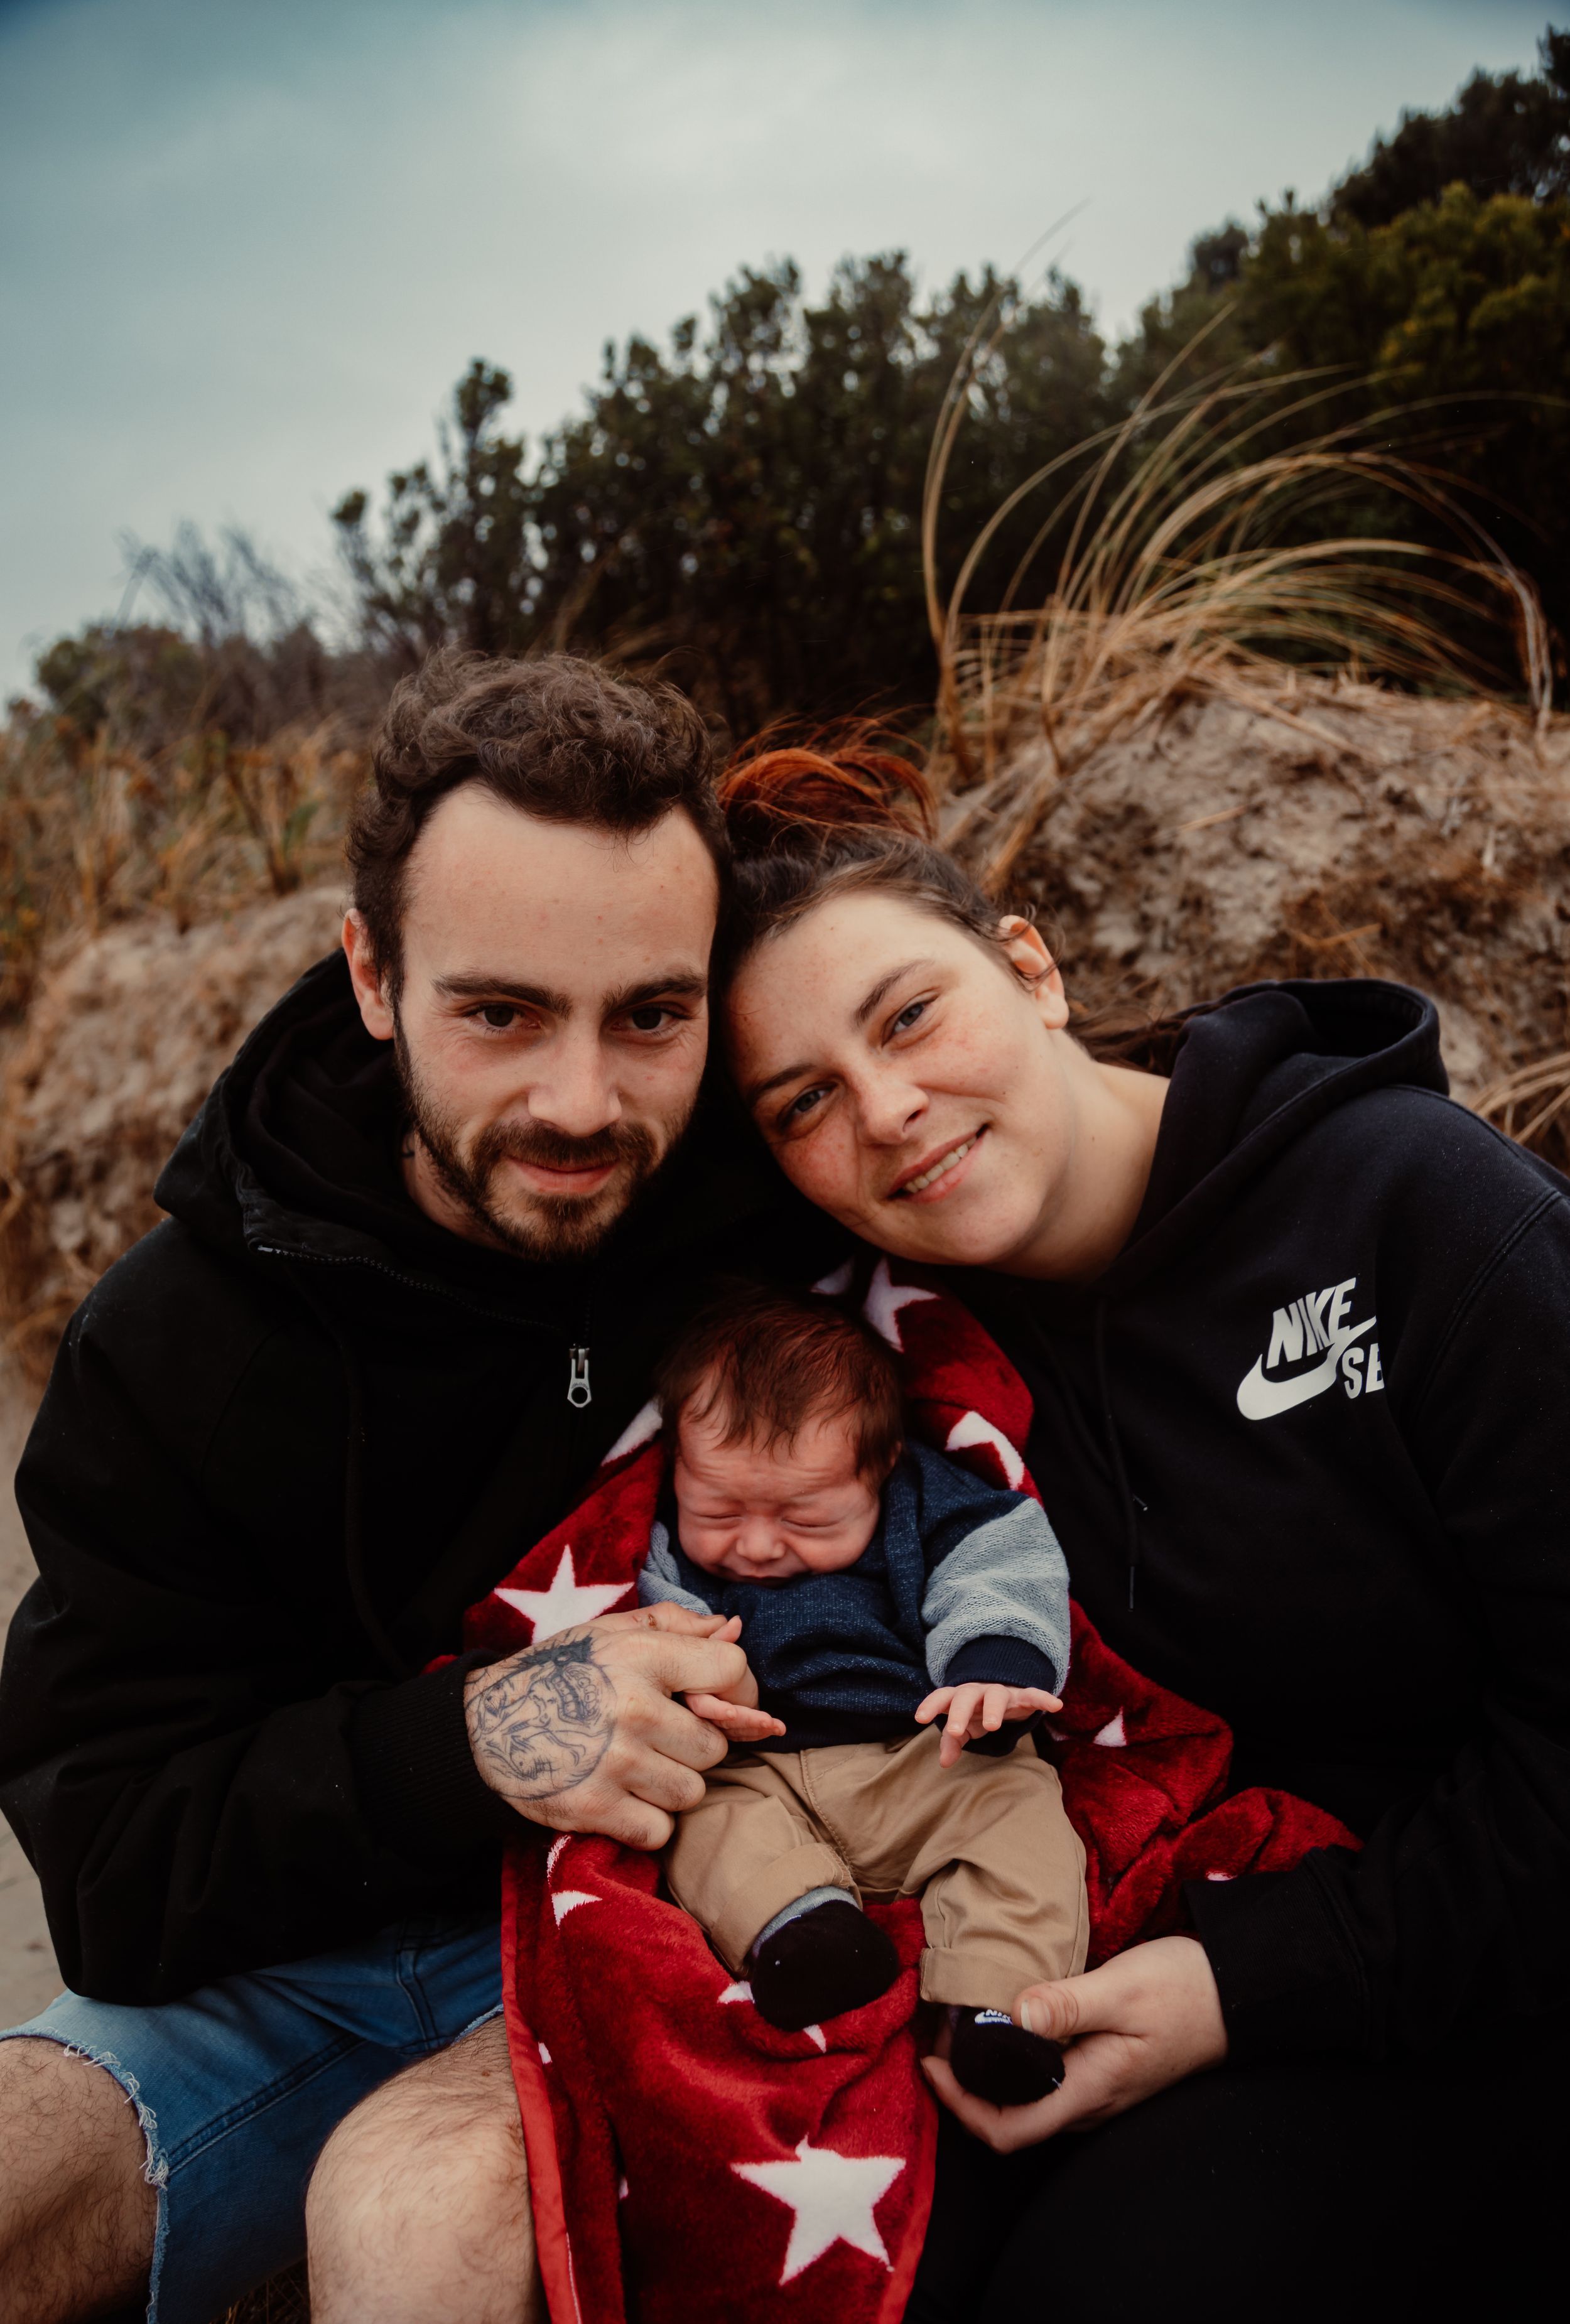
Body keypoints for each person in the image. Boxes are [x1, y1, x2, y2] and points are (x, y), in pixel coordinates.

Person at [0, 651, 839, 2324]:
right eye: (501, 1010)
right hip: (281, 1974)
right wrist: (473, 1736)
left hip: (647, 1923)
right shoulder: (177, 1340)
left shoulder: (796, 1188)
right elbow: (108, 1854)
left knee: (416, 2224)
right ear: (373, 976)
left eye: (651, 1014)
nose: (583, 1101)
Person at [708, 732, 1570, 2316]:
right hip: (1146, 1973)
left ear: (1027, 966)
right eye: (802, 1103)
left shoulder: (1415, 1208)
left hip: (1488, 1983)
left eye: (910, 1015)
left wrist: (1247, 1983)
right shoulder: (901, 1362)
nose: (888, 1111)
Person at [637, 1280, 1082, 2104]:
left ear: (882, 1464)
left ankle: (997, 2005)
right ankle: (802, 1928)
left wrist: (991, 1672)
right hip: (760, 1764)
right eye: (719, 1507)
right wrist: (699, 1688)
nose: (759, 1543)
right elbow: (664, 1630)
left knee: (1021, 1814)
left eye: (806, 1515)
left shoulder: (934, 1502)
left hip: (926, 1755)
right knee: (700, 1817)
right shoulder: (665, 1535)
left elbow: (1000, 1571)